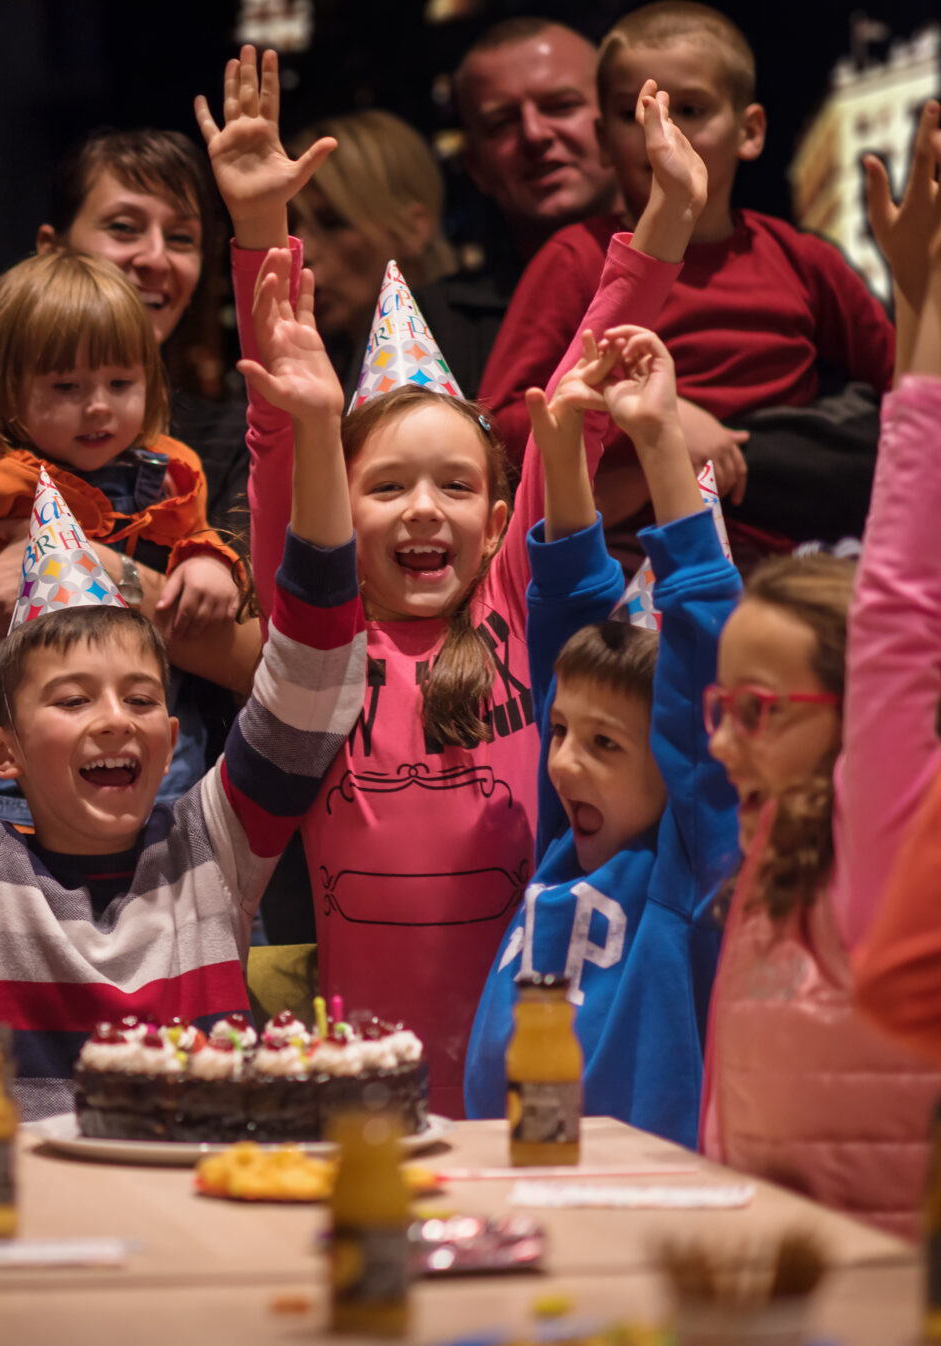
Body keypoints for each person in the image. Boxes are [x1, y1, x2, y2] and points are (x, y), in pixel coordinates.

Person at [202, 38, 705, 1114]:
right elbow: (279, 421)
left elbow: (581, 367)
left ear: (493, 517)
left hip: (522, 1078)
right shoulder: (318, 638)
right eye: (383, 487)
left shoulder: (519, 603)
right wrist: (256, 230)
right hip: (362, 1098)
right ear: (342, 508)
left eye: (451, 487)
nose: (421, 509)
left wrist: (661, 219)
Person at [0, 283, 365, 1120]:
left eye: (140, 697)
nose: (114, 719)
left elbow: (314, 680)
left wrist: (318, 431)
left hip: (202, 1218)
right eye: (71, 698)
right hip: (29, 1232)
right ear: (0, 750)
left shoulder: (212, 850)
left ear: (172, 738)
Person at [702, 103, 941, 1235]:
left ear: (857, 724)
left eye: (755, 710)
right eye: (719, 704)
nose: (717, 738)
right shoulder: (760, 851)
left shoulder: (881, 838)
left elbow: (898, 602)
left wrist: (920, 311)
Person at [463, 325, 739, 1147]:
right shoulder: (566, 840)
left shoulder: (691, 867)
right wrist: (566, 465)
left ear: (678, 761)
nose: (564, 761)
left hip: (640, 1199)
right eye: (557, 733)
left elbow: (705, 653)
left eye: (605, 745)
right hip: (518, 1173)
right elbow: (567, 627)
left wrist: (656, 441)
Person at [479, 1, 894, 545]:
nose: (662, 134)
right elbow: (496, 426)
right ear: (604, 139)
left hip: (787, 555)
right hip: (633, 565)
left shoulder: (801, 258)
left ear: (750, 131)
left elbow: (904, 389)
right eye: (637, 113)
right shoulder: (576, 256)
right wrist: (654, 423)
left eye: (690, 110)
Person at [0, 252, 247, 829]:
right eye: (66, 385)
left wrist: (207, 559)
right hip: (14, 780)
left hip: (162, 770)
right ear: (9, 389)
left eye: (120, 382)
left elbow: (193, 540)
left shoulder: (174, 471)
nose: (99, 404)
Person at [0, 127, 247, 569]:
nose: (156, 258)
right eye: (124, 228)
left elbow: (251, 628)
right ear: (51, 249)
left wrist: (83, 564)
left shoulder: (229, 439)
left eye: (182, 238)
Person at [276, 107, 482, 394]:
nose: (301, 252)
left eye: (333, 222)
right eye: (292, 225)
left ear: (413, 228)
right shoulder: (314, 370)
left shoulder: (485, 356)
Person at [452, 19, 619, 283]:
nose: (534, 134)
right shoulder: (429, 320)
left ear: (619, 121)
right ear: (475, 166)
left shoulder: (702, 280)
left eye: (561, 106)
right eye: (502, 122)